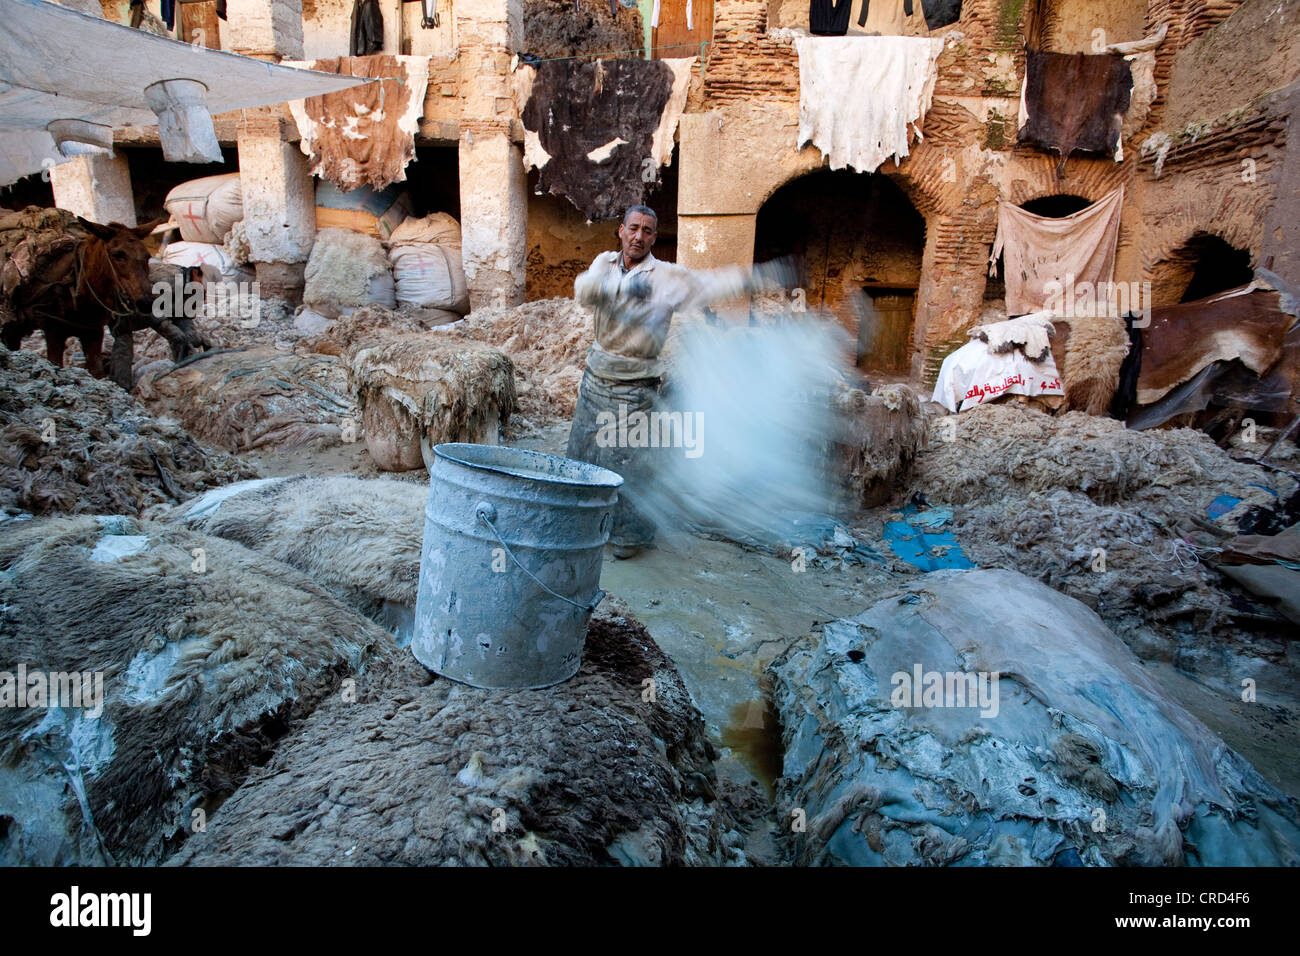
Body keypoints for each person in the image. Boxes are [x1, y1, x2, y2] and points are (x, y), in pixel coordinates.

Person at [566, 205, 788, 558]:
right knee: (581, 456)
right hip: (594, 379)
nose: (639, 236)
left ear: (655, 237)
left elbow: (711, 283)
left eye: (648, 231)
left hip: (634, 386)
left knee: (628, 466)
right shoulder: (604, 264)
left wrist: (759, 276)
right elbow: (583, 291)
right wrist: (620, 289)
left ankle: (627, 537)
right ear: (621, 231)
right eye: (634, 228)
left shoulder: (666, 277)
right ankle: (579, 524)